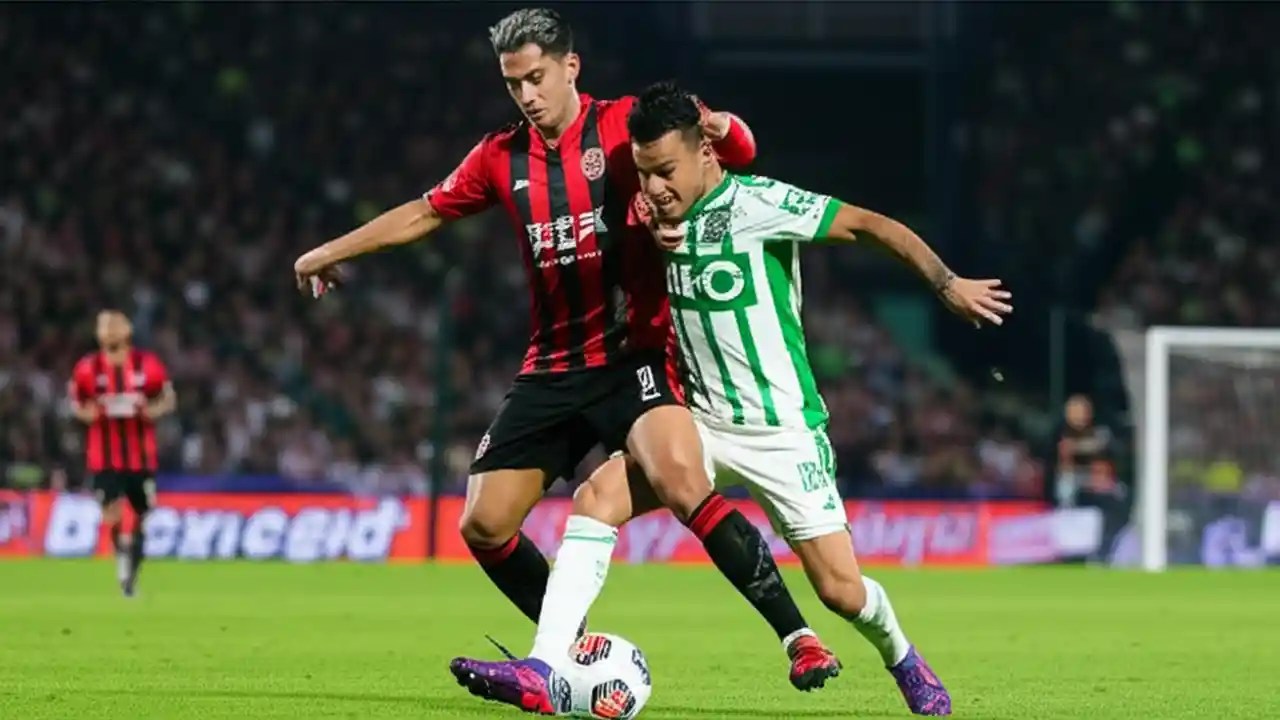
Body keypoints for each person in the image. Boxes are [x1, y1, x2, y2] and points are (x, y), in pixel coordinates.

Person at [293, 8, 840, 690]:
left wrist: (693, 170)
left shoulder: (626, 124)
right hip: (552, 366)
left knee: (679, 479)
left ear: (570, 67)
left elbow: (739, 151)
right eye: (512, 83)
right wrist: (329, 250)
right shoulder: (500, 156)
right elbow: (426, 210)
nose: (526, 95)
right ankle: (565, 656)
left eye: (536, 77)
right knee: (484, 526)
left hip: (635, 355)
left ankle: (799, 637)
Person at [451, 82, 1015, 716]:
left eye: (666, 171)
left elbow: (869, 223)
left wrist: (945, 284)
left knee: (840, 590)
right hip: (701, 421)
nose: (655, 187)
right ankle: (543, 667)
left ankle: (902, 656)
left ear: (706, 156)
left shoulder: (761, 204)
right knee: (596, 498)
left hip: (784, 430)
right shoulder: (645, 214)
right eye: (644, 173)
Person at [67, 310, 176, 596]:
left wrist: (151, 410)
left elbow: (167, 397)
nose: (110, 331)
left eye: (115, 325)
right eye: (105, 326)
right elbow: (76, 402)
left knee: (140, 516)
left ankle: (131, 571)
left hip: (141, 457)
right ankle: (122, 560)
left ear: (127, 330)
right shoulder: (88, 367)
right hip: (104, 457)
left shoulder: (146, 364)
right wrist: (89, 413)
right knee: (112, 515)